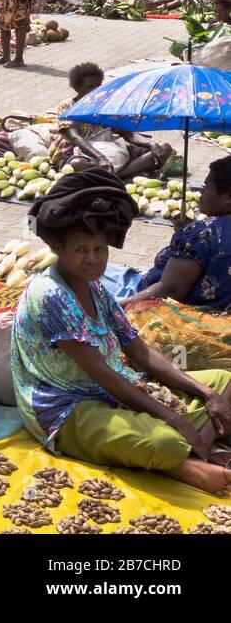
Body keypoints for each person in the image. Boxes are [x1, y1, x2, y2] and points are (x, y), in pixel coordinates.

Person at [14, 169, 231, 495]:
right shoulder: (51, 295)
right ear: (60, 249)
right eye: (81, 250)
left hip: (119, 386)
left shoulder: (95, 288)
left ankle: (195, 447)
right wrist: (172, 419)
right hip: (67, 408)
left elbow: (139, 350)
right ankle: (189, 462)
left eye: (99, 249)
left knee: (223, 383)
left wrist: (207, 394)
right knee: (164, 440)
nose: (92, 259)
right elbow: (104, 375)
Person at [122, 157, 231, 312]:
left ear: (228, 197)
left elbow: (170, 290)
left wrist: (114, 308)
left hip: (195, 323)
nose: (200, 191)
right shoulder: (201, 233)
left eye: (206, 186)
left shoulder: (203, 233)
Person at [54, 62, 172, 177]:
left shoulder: (105, 104)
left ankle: (115, 175)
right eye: (90, 87)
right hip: (84, 152)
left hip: (112, 149)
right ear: (77, 88)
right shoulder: (68, 106)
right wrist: (100, 158)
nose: (95, 90)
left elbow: (125, 132)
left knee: (164, 149)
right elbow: (75, 137)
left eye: (98, 86)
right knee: (77, 164)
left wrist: (151, 144)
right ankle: (124, 173)